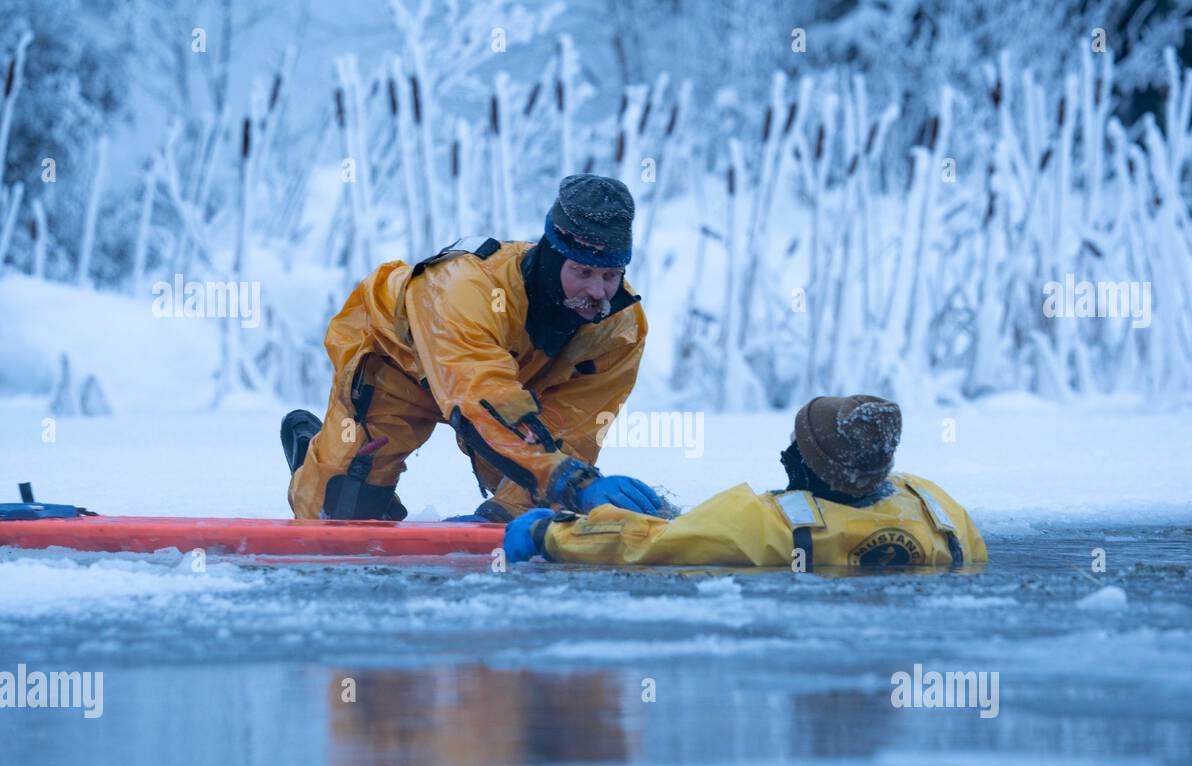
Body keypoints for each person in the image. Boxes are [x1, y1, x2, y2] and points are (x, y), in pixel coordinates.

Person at [281, 175, 661, 522]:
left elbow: (572, 430)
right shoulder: (465, 288)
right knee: (340, 512)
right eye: (582, 272)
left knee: (531, 504)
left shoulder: (619, 329)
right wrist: (574, 482)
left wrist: (505, 514)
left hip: (513, 390)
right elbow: (481, 397)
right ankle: (317, 459)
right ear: (553, 257)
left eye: (610, 276)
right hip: (399, 363)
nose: (598, 293)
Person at [503, 395, 986, 569]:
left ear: (811, 463)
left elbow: (644, 546)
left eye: (799, 443)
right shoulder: (934, 506)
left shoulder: (762, 525)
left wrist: (550, 532)